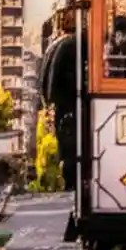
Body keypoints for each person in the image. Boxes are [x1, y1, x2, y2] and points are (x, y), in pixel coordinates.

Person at [42, 10, 84, 192]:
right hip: (71, 105)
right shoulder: (72, 44)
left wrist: (49, 104)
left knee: (67, 151)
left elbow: (47, 81)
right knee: (73, 150)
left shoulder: (56, 45)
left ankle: (70, 185)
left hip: (62, 106)